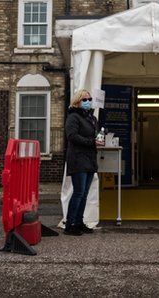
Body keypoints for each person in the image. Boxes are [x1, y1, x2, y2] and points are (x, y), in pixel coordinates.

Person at [64, 88, 98, 235]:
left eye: (89, 99)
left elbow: (94, 135)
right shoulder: (73, 117)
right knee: (78, 192)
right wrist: (91, 142)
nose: (88, 102)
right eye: (84, 99)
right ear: (77, 102)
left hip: (90, 158)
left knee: (84, 194)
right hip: (78, 158)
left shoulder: (92, 118)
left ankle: (79, 222)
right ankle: (70, 224)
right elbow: (71, 136)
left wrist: (99, 139)